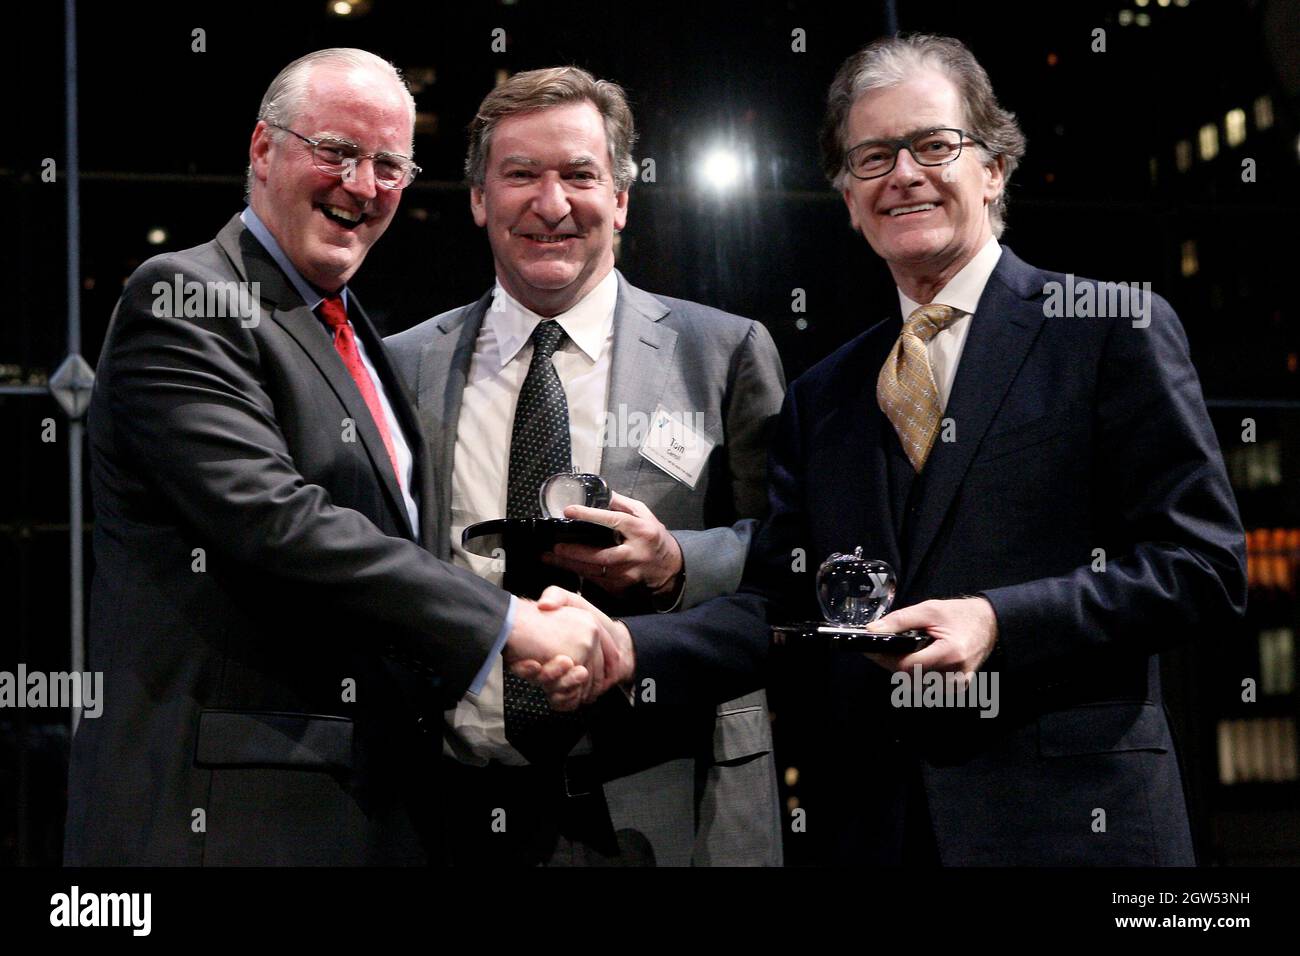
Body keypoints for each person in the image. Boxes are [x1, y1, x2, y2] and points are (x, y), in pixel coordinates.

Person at [552, 34, 1247, 865]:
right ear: (848, 198)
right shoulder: (825, 395)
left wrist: (997, 621)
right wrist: (631, 647)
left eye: (934, 145)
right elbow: (783, 607)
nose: (904, 174)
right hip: (876, 829)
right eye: (873, 156)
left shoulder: (1107, 328)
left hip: (1075, 827)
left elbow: (1204, 565)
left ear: (994, 168)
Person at [63, 48, 616, 866]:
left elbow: (392, 569)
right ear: (262, 150)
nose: (361, 185)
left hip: (357, 813)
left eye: (389, 164)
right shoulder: (183, 301)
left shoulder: (358, 335)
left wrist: (506, 660)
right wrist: (507, 626)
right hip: (218, 820)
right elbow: (280, 523)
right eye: (336, 152)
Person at [386, 66, 785, 866]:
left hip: (674, 803)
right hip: (455, 808)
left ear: (623, 198)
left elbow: (790, 559)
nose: (552, 203)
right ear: (477, 200)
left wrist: (678, 564)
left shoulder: (723, 350)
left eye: (579, 175)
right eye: (521, 175)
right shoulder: (403, 367)